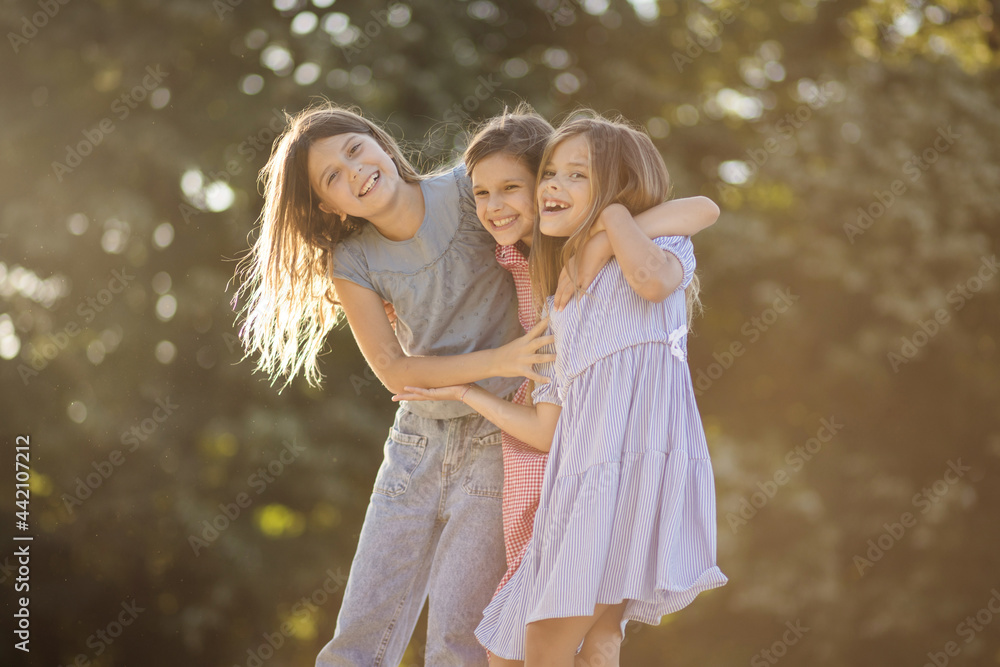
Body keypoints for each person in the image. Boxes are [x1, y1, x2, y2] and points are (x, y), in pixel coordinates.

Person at [396, 113, 728, 666]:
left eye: (578, 175)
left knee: (548, 644)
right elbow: (546, 430)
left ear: (619, 186)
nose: (553, 185)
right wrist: (466, 394)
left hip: (630, 470)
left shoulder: (658, 246)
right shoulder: (558, 307)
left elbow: (668, 257)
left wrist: (609, 224)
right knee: (516, 645)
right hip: (576, 482)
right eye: (550, 172)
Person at [233, 101, 555, 667]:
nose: (353, 172)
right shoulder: (352, 260)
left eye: (355, 150)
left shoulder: (467, 190)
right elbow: (395, 370)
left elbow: (548, 197)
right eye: (331, 176)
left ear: (381, 144)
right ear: (325, 204)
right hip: (415, 448)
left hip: (497, 444)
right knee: (358, 641)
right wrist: (501, 357)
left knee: (459, 642)